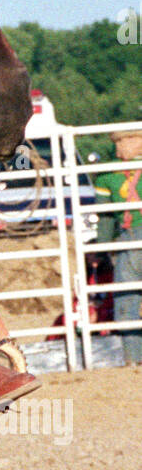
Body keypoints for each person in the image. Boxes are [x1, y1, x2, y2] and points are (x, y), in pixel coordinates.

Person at [94, 129, 142, 364]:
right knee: (125, 298)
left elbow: (105, 220)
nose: (119, 146)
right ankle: (134, 356)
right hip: (128, 236)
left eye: (128, 139)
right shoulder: (105, 173)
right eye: (117, 141)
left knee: (127, 297)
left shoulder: (106, 174)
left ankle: (134, 357)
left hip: (130, 239)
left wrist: (100, 250)